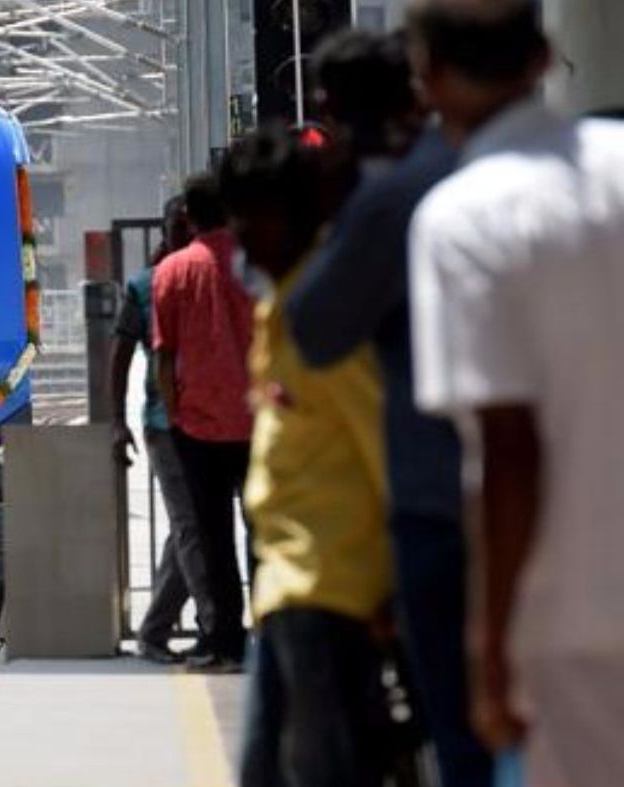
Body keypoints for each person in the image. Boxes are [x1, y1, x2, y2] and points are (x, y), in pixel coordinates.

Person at [406, 2, 624, 785]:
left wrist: (488, 644)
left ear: (426, 77)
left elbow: (507, 448)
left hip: (577, 618)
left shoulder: (462, 221)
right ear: (544, 57)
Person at [285, 29, 492, 787]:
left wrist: (336, 207)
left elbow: (313, 324)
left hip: (433, 499)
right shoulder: (484, 167)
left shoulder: (390, 197)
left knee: (458, 724)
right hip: (547, 488)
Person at [223, 127, 395, 787]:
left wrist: (393, 581)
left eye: (256, 215)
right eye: (237, 215)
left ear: (301, 212)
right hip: (287, 582)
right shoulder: (284, 302)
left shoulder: (324, 314)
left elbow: (382, 442)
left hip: (331, 585)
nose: (242, 233)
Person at [151, 174, 254, 671]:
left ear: (188, 217)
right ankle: (274, 636)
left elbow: (164, 357)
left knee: (213, 540)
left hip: (198, 427)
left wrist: (173, 413)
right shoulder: (256, 261)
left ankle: (224, 642)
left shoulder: (172, 271)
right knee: (267, 533)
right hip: (262, 422)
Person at [110, 196, 199, 664]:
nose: (185, 232)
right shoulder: (145, 287)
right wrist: (117, 423)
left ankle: (155, 628)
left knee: (190, 530)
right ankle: (210, 624)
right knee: (192, 528)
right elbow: (119, 357)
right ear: (165, 230)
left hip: (205, 421)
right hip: (166, 424)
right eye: (178, 225)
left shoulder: (205, 276)